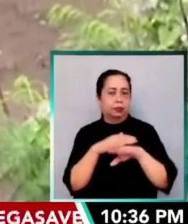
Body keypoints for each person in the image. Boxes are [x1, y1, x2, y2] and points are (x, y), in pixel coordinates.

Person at [61, 69, 179, 199]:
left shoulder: (146, 131)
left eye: (125, 93)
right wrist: (98, 149)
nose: (119, 99)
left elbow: (165, 181)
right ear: (99, 98)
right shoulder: (86, 134)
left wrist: (138, 153)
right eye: (112, 93)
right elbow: (74, 184)